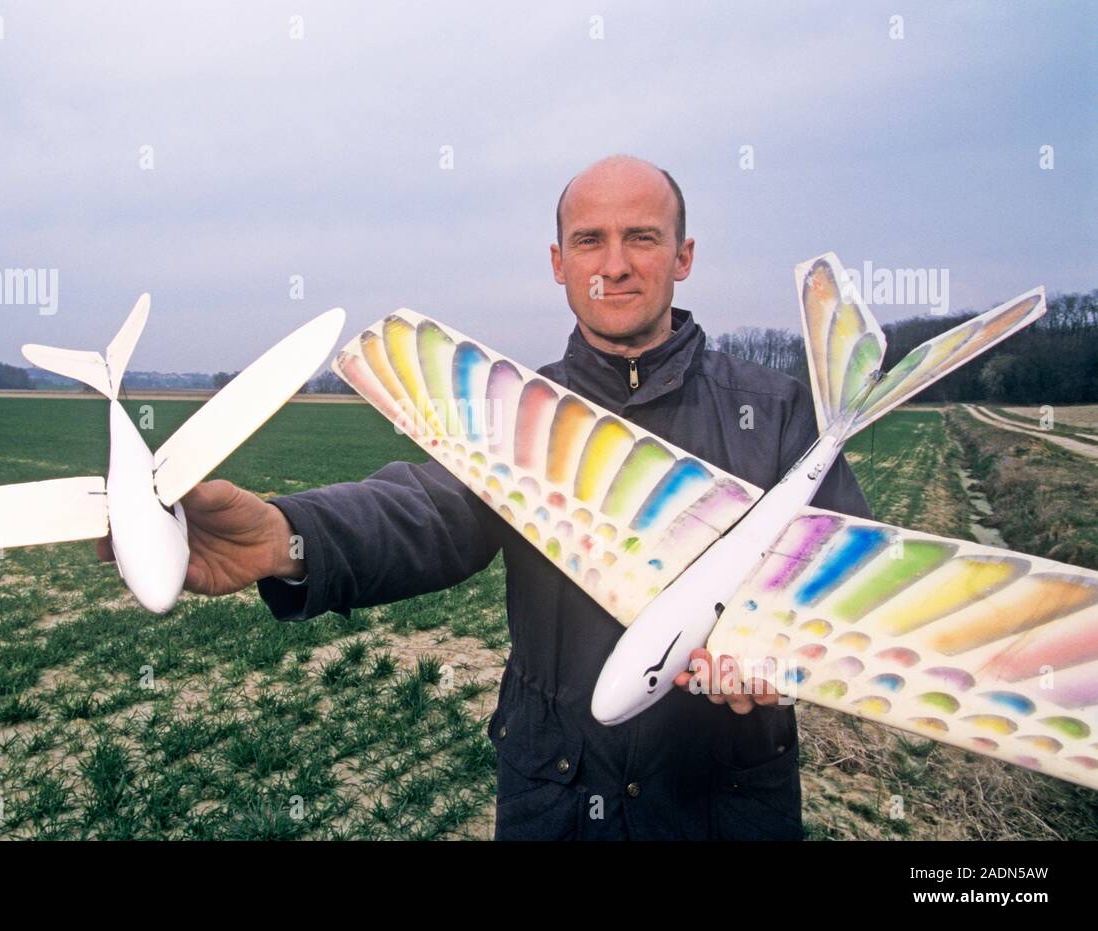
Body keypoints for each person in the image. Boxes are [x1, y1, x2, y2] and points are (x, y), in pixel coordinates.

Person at [99, 155, 871, 839]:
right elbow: (425, 508)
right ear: (557, 262)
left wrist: (779, 652)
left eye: (642, 236)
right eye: (588, 240)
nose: (616, 264)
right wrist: (287, 536)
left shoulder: (774, 413)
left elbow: (853, 584)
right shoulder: (516, 417)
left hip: (722, 799)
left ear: (684, 255)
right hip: (557, 796)